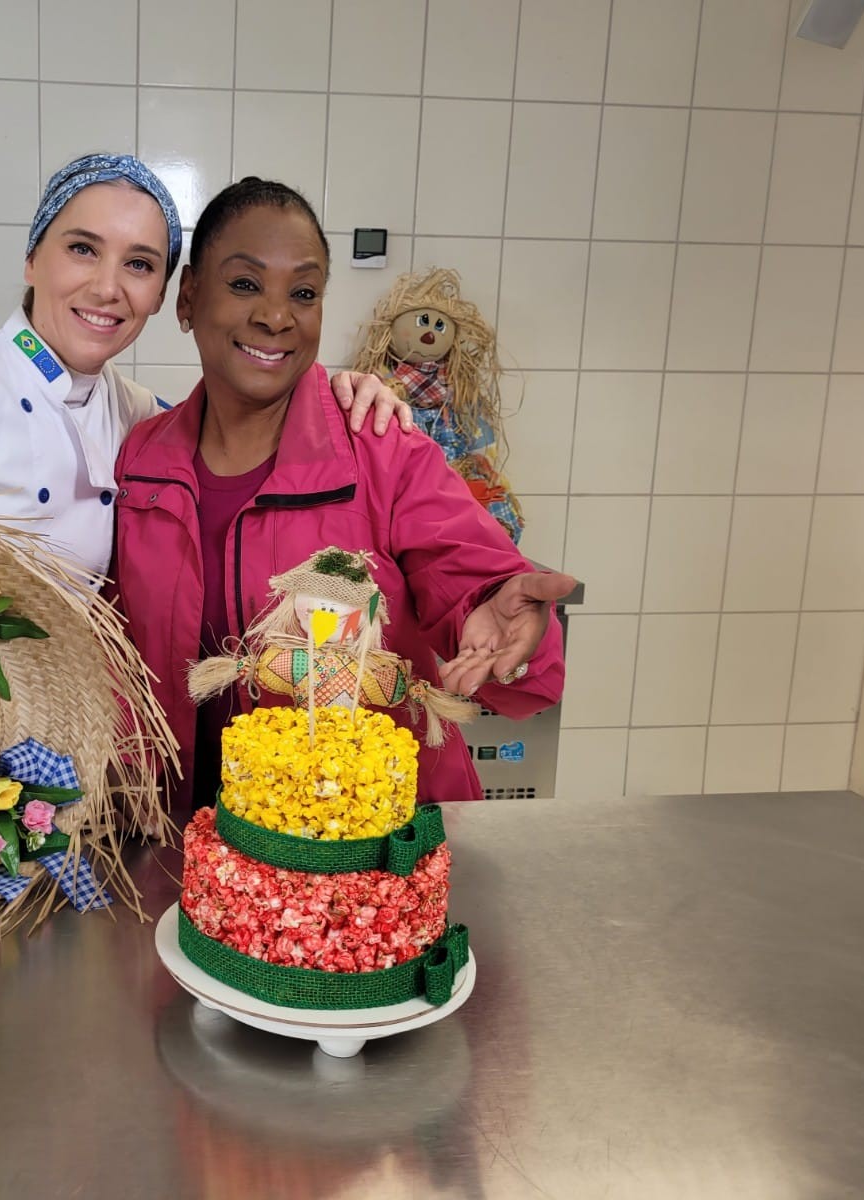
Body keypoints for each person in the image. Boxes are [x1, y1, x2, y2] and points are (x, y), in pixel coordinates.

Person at [111, 177, 574, 809]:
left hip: (371, 857)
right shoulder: (141, 462)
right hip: (196, 850)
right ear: (188, 297)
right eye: (245, 283)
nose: (276, 317)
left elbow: (480, 593)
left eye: (303, 292)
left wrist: (509, 634)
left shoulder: (382, 448)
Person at [0, 153, 415, 580]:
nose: (108, 288)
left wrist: (341, 390)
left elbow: (245, 417)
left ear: (163, 295)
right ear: (32, 259)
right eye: (83, 249)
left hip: (69, 734)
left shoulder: (136, 411)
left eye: (139, 264)